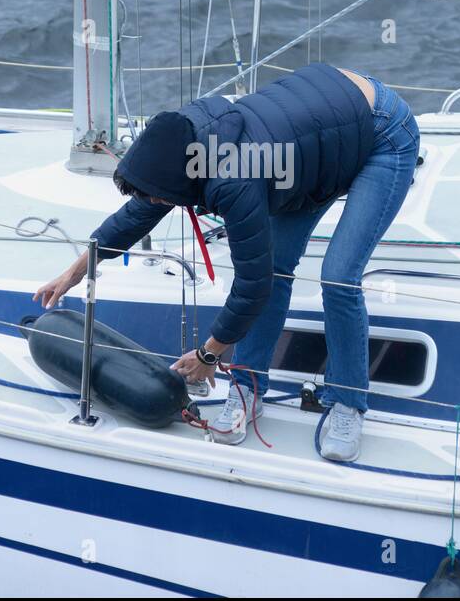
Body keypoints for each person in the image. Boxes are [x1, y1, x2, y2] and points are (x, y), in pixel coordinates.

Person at [33, 63, 418, 462]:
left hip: (381, 132)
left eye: (163, 198)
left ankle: (348, 402)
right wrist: (78, 270)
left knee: (338, 277)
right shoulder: (177, 144)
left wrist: (209, 355)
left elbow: (252, 284)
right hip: (311, 152)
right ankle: (249, 387)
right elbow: (140, 212)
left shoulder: (235, 180)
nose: (158, 204)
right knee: (277, 265)